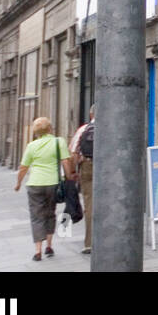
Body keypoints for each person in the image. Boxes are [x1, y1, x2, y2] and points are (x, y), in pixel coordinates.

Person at [14, 117, 75, 262]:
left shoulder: (31, 146)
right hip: (52, 184)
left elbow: (23, 167)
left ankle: (37, 251)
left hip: (34, 184)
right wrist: (69, 177)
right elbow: (66, 161)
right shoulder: (58, 141)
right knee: (50, 213)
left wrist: (18, 183)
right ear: (50, 129)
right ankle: (49, 245)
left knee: (36, 217)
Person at [69, 105, 95, 254]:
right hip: (108, 168)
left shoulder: (84, 129)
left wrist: (73, 172)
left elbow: (73, 152)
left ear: (91, 115)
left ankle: (89, 243)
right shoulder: (110, 126)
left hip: (87, 166)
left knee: (90, 204)